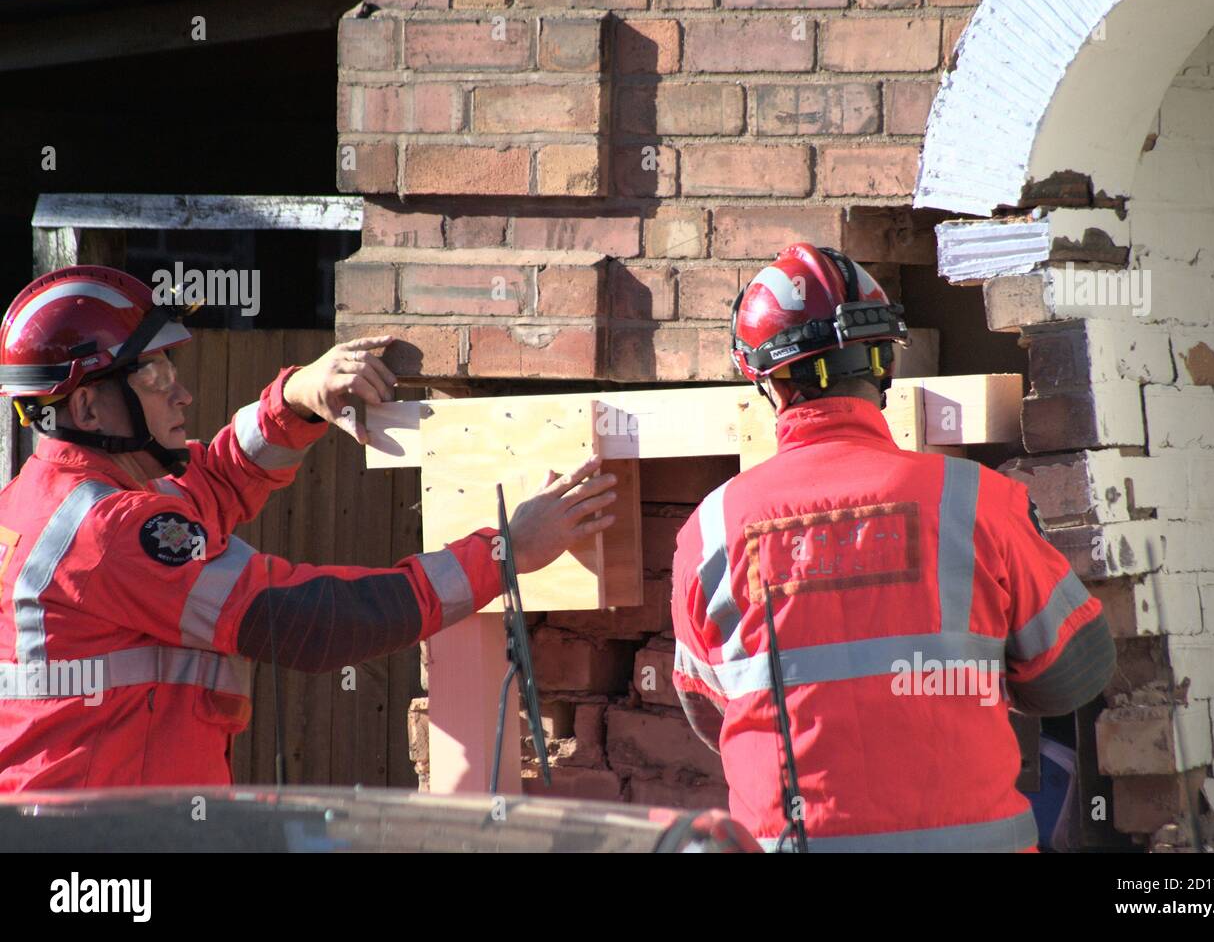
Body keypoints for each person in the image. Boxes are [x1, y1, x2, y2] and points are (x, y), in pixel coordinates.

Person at [0, 265, 616, 790]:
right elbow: (316, 620)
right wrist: (503, 555)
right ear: (84, 407)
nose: (181, 394)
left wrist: (296, 399)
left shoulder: (58, 499)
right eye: (155, 376)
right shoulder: (105, 531)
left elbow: (212, 482)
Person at [670, 243, 1115, 852]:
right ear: (882, 363)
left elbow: (712, 712)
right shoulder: (977, 500)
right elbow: (1071, 675)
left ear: (767, 380)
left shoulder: (711, 529)